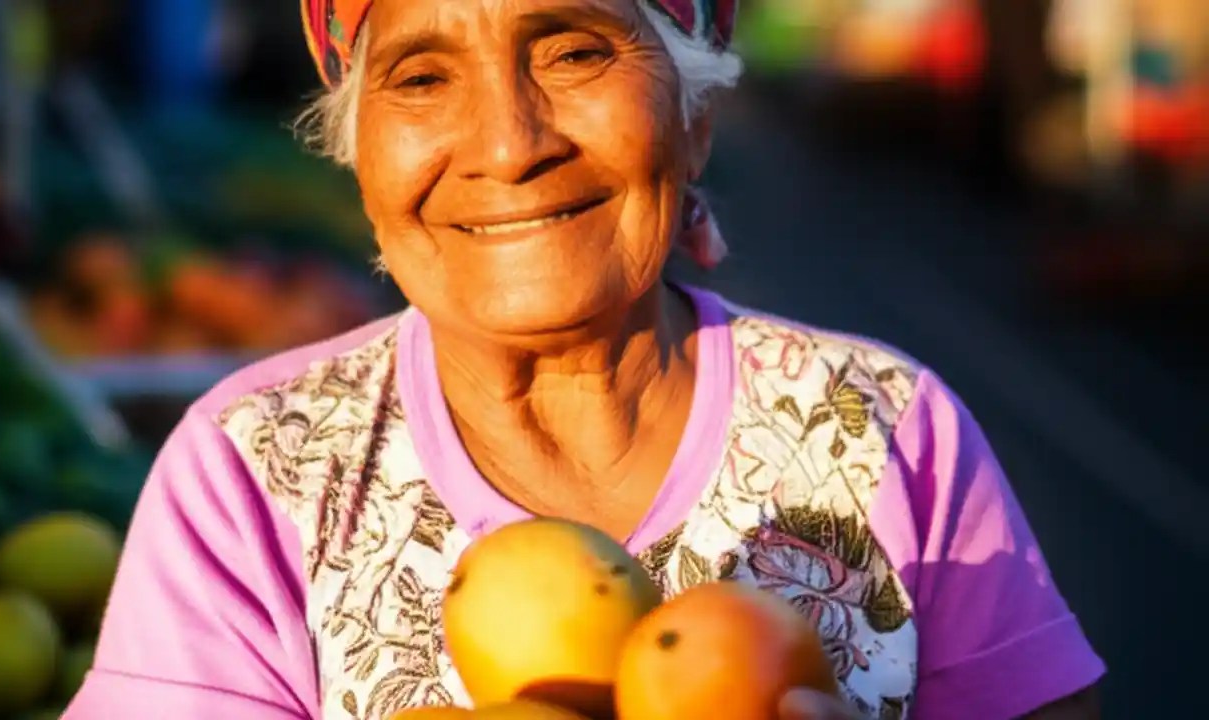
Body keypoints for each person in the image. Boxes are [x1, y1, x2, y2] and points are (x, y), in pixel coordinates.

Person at [65, 1, 1105, 718]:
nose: (509, 144)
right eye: (420, 77)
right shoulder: (255, 472)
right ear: (360, 153)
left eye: (572, 51)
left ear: (693, 116)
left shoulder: (886, 427)